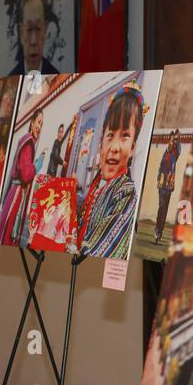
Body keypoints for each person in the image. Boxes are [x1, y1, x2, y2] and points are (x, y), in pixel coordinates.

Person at [79, 86, 144, 258]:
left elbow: (99, 253)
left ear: (132, 149)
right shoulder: (97, 182)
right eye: (110, 136)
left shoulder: (126, 193)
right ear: (100, 144)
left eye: (124, 136)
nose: (114, 148)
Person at [0, 108, 43, 246]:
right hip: (17, 194)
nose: (39, 127)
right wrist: (38, 164)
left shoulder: (25, 141)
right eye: (38, 122)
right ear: (32, 122)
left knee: (7, 232)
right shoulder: (28, 143)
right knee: (8, 234)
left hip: (15, 192)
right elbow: (26, 175)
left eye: (41, 124)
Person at [8, 0, 61, 77]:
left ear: (45, 29)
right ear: (21, 33)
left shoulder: (57, 77)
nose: (33, 41)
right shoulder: (10, 80)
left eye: (38, 28)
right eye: (28, 29)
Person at [155, 134, 182, 242]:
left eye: (173, 142)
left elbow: (179, 148)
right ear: (168, 142)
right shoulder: (165, 153)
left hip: (169, 186)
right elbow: (161, 166)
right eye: (171, 141)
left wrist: (177, 138)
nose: (172, 143)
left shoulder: (175, 154)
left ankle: (159, 233)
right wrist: (158, 178)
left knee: (165, 209)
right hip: (162, 185)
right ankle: (157, 229)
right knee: (161, 207)